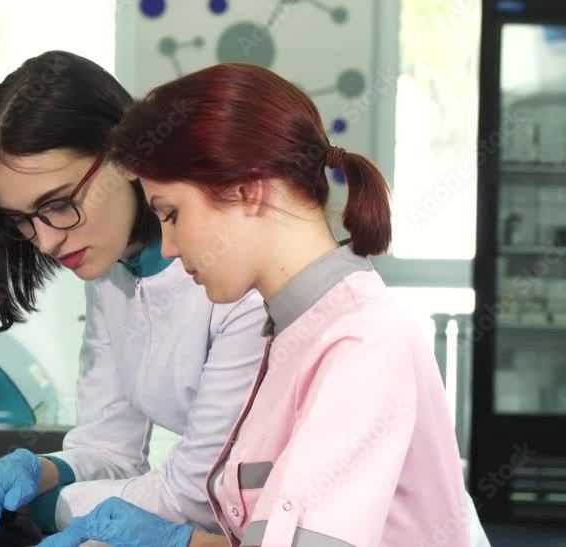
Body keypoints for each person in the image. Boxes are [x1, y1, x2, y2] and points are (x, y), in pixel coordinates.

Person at [31, 63, 479, 547]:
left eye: (172, 215)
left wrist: (172, 542)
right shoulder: (287, 329)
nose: (170, 247)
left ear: (247, 189)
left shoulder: (363, 342)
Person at [0, 50, 269, 542]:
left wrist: (28, 510)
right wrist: (27, 472)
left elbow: (194, 496)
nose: (45, 240)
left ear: (125, 156)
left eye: (58, 205)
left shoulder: (238, 285)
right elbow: (110, 449)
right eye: (21, 220)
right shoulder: (112, 272)